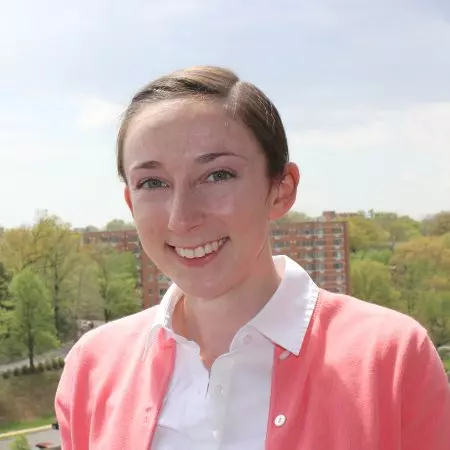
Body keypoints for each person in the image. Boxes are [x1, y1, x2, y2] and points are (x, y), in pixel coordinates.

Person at [55, 66, 450, 450]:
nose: (182, 218)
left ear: (281, 189)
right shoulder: (92, 368)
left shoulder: (390, 358)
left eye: (217, 175)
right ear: (130, 202)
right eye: (152, 183)